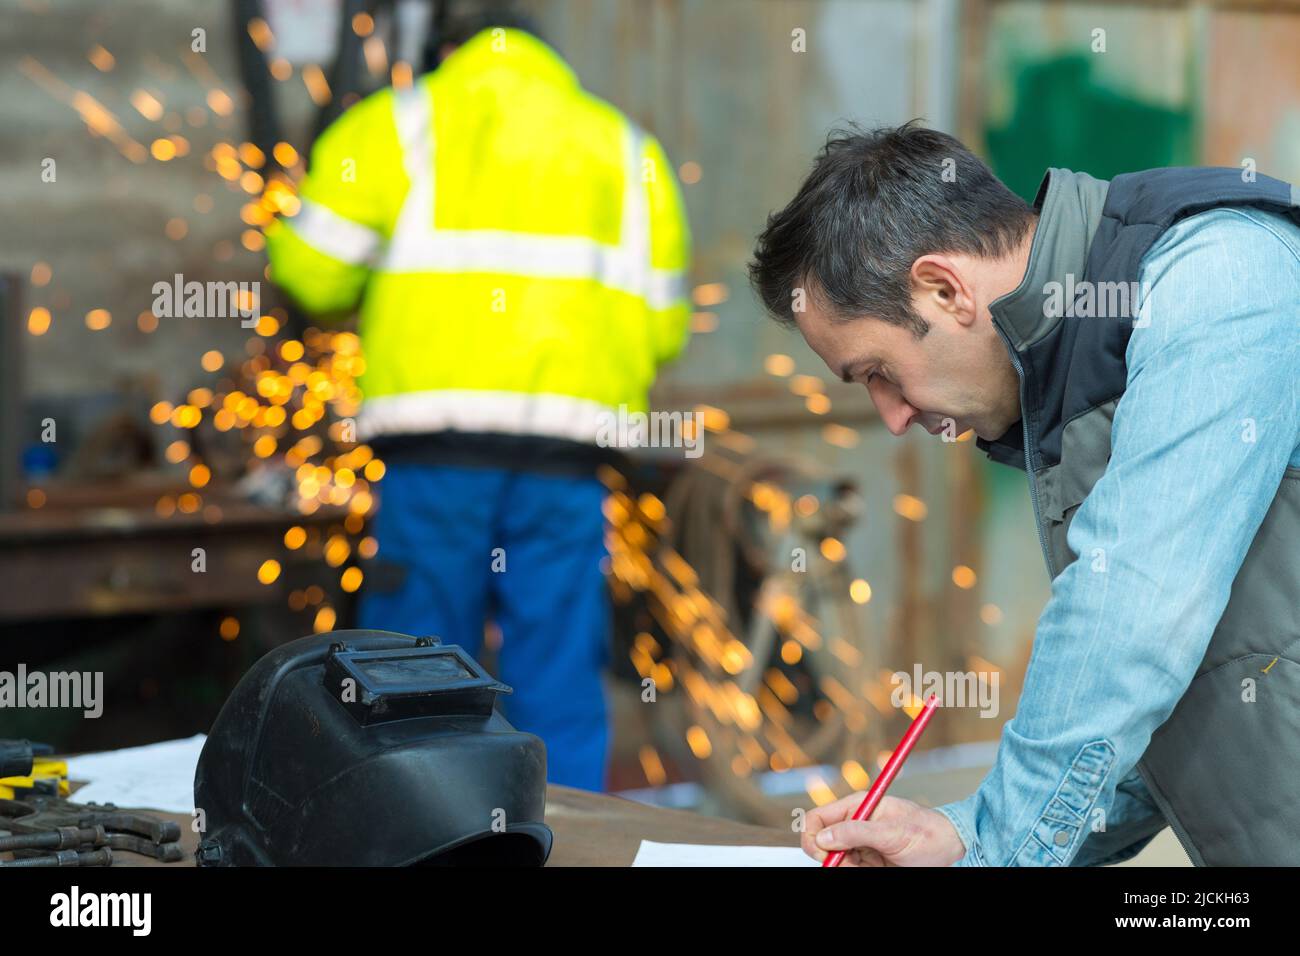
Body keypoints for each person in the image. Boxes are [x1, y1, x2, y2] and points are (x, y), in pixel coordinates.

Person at [749, 121, 1300, 865]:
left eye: (877, 371)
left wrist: (1000, 851)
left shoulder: (1221, 276)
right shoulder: (1070, 368)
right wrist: (967, 832)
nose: (894, 414)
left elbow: (1134, 613)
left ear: (944, 289)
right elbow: (1177, 700)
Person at [266, 14, 692, 791]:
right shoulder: (625, 147)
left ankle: (415, 829)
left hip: (437, 457)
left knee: (413, 675)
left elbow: (312, 275)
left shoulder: (397, 122)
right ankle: (564, 834)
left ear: (448, 52)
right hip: (567, 461)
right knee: (559, 667)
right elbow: (663, 327)